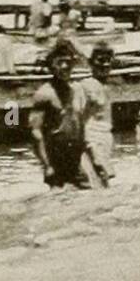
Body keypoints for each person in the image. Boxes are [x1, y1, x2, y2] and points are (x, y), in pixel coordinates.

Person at [29, 38, 91, 190]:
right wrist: (46, 165)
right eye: (59, 62)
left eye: (68, 62)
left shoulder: (77, 90)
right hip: (56, 160)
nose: (64, 66)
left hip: (76, 161)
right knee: (58, 201)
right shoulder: (44, 94)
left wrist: (92, 158)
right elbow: (35, 133)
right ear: (51, 65)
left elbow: (81, 126)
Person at [81, 43, 115, 187]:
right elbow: (80, 121)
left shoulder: (105, 86)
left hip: (103, 142)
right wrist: (93, 153)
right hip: (92, 144)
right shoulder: (86, 86)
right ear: (91, 63)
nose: (105, 65)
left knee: (103, 185)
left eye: (108, 61)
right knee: (95, 185)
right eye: (101, 61)